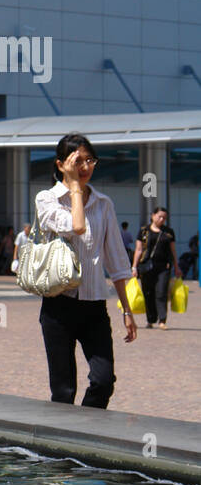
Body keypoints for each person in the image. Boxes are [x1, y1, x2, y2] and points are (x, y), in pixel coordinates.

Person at [35, 133, 136, 409]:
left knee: (104, 381)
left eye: (90, 160)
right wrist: (76, 189)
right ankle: (62, 449)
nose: (85, 167)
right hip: (58, 306)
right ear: (60, 165)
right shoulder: (46, 199)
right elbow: (76, 225)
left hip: (94, 307)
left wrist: (127, 311)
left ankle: (89, 436)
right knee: (64, 391)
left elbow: (116, 261)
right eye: (77, 161)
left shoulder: (104, 204)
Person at [132, 207, 181, 329]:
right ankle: (150, 320)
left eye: (164, 217)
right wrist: (134, 267)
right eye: (160, 216)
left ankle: (162, 320)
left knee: (161, 292)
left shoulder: (169, 232)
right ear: (153, 216)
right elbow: (138, 250)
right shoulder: (144, 231)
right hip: (146, 267)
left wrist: (176, 266)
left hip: (163, 267)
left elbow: (173, 250)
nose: (162, 219)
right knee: (148, 293)